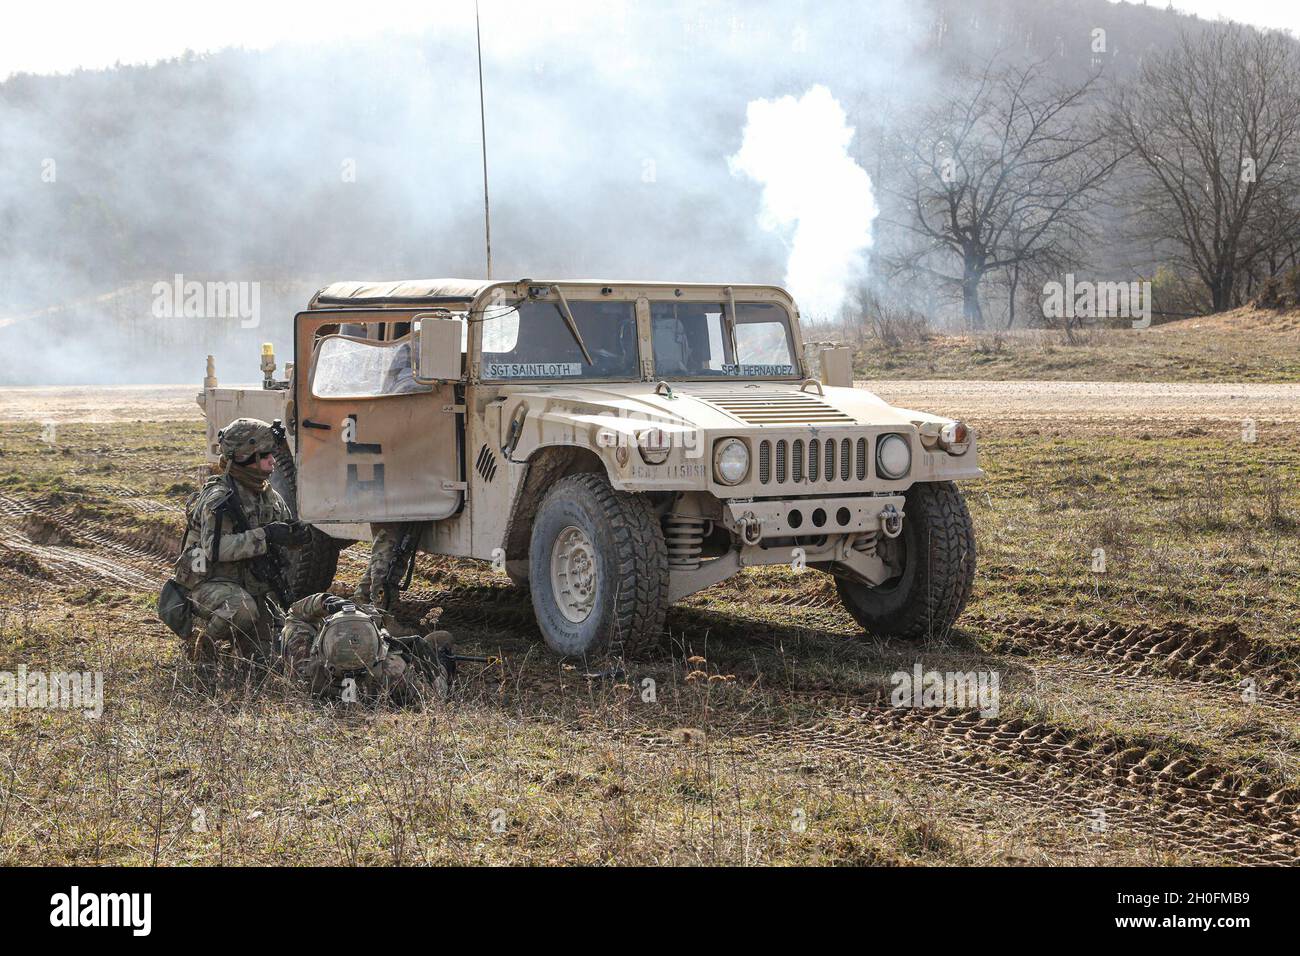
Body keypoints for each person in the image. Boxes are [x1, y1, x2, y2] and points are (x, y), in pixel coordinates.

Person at [171, 417, 310, 664]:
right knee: (241, 610)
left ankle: (240, 640)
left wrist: (294, 537)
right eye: (265, 455)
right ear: (247, 457)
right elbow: (216, 549)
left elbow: (282, 531)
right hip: (209, 584)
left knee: (272, 659)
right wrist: (266, 535)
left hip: (249, 587)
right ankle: (203, 644)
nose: (273, 460)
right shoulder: (220, 499)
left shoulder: (269, 495)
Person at [278, 592, 450, 703]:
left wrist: (324, 601)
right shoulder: (393, 672)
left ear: (320, 647)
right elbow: (435, 699)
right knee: (443, 640)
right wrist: (440, 665)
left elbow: (294, 615)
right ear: (378, 652)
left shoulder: (303, 668)